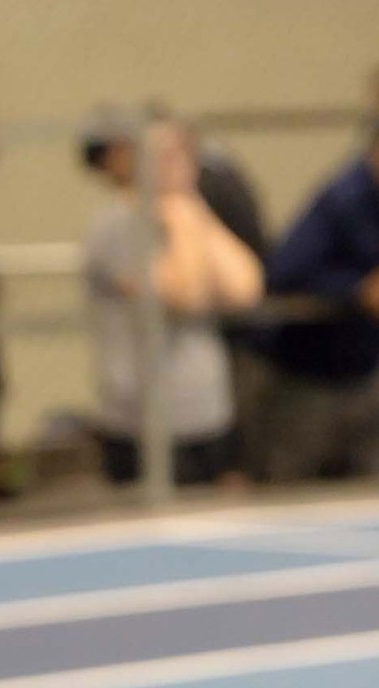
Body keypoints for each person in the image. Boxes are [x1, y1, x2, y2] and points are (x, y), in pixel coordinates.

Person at [82, 116, 263, 486]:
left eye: (183, 153)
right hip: (143, 422)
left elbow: (247, 289)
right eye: (163, 156)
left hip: (207, 413)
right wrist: (183, 217)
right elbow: (187, 295)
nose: (176, 166)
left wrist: (190, 213)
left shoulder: (193, 216)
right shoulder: (115, 226)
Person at [253, 109, 379, 481]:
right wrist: (361, 288)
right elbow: (283, 274)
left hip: (372, 370)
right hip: (308, 378)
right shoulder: (344, 199)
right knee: (288, 490)